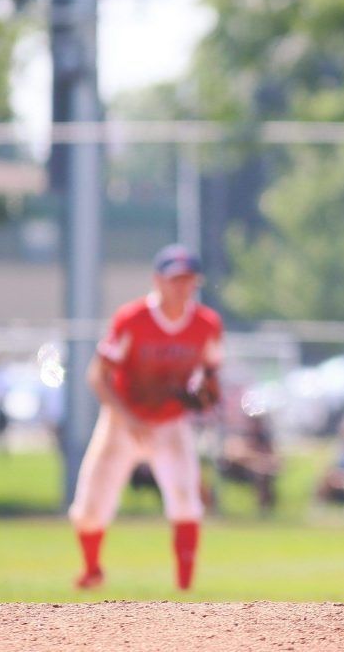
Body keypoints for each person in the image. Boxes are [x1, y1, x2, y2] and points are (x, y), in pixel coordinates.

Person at [68, 244, 223, 591]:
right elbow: (97, 376)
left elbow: (212, 374)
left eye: (187, 279)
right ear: (157, 281)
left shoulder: (206, 324)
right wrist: (127, 418)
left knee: (185, 500)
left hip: (170, 420)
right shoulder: (133, 318)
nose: (181, 287)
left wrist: (208, 393)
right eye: (174, 279)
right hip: (123, 419)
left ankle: (185, 588)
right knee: (90, 507)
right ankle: (92, 570)